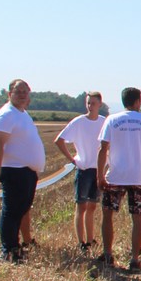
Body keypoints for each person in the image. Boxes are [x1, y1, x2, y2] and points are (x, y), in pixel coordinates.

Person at [96, 86, 141, 273]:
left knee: (108, 214)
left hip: (115, 176)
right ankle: (134, 259)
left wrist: (100, 175)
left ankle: (108, 254)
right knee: (139, 217)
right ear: (137, 102)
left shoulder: (112, 120)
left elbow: (103, 149)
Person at [0, 78, 45, 263]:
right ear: (9, 94)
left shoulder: (22, 114)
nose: (21, 95)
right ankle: (8, 250)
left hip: (26, 172)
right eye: (17, 92)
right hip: (14, 171)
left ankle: (16, 246)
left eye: (24, 92)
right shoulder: (6, 115)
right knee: (11, 212)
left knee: (21, 210)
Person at [54, 91, 105, 255]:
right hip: (83, 169)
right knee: (81, 206)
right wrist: (72, 159)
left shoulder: (104, 122)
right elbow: (59, 141)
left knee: (92, 207)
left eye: (93, 103)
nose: (90, 106)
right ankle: (81, 241)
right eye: (88, 103)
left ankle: (91, 239)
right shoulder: (78, 122)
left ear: (100, 105)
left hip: (97, 170)